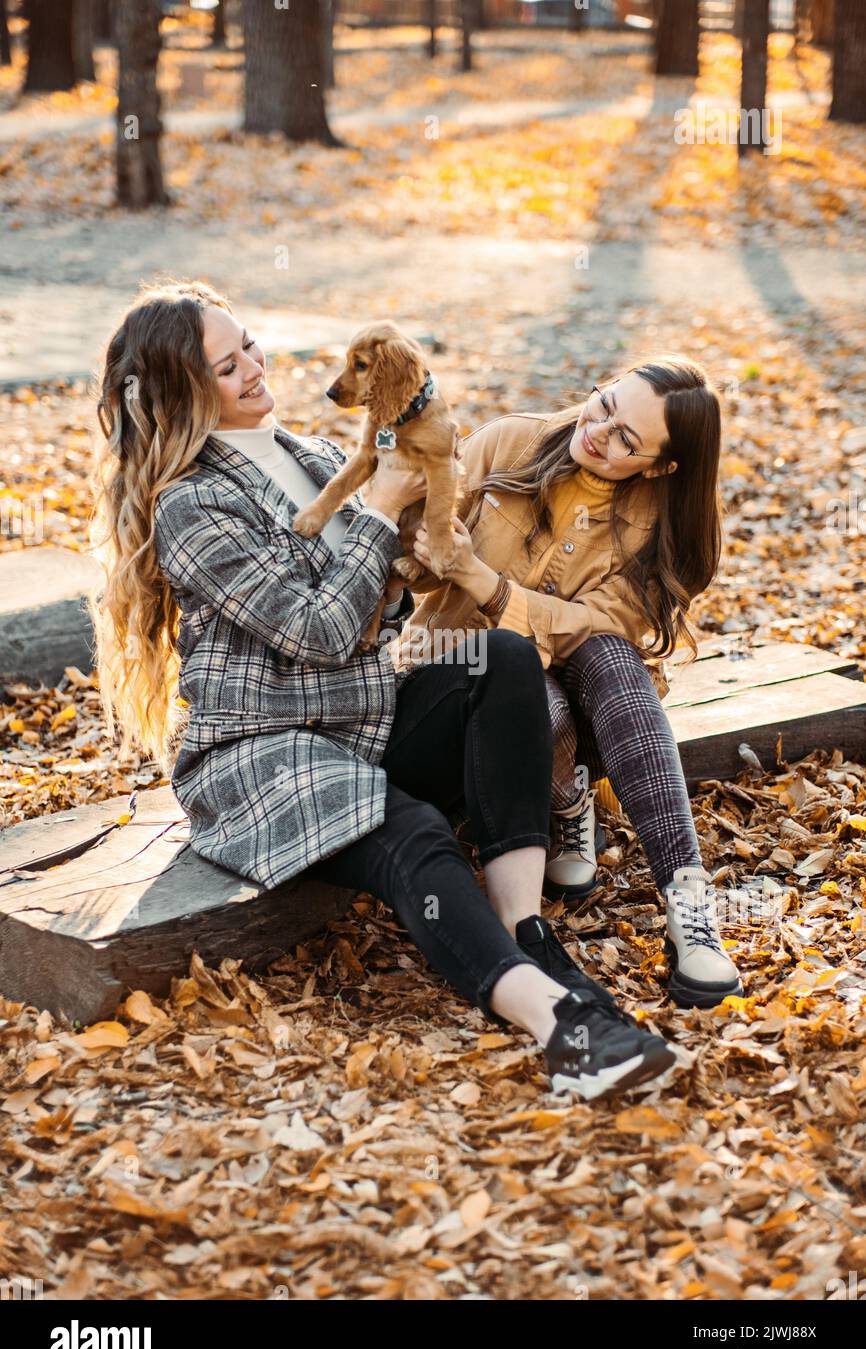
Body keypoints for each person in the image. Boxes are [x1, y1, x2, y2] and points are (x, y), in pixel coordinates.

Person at [87, 280, 676, 1101]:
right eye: (228, 366)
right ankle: (560, 1026)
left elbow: (378, 613)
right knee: (414, 829)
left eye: (250, 343)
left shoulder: (317, 458)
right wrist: (378, 511)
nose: (257, 367)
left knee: (502, 659)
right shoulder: (191, 503)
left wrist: (422, 547)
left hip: (359, 722)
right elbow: (319, 631)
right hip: (262, 754)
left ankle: (524, 930)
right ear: (186, 391)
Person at [395, 361, 743, 1009]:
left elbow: (590, 628)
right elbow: (410, 564)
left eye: (625, 441)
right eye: (604, 405)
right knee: (529, 681)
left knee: (607, 654)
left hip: (594, 705)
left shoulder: (661, 527)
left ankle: (689, 904)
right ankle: (565, 801)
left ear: (660, 467)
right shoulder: (507, 445)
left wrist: (482, 580)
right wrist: (427, 535)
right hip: (465, 683)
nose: (599, 432)